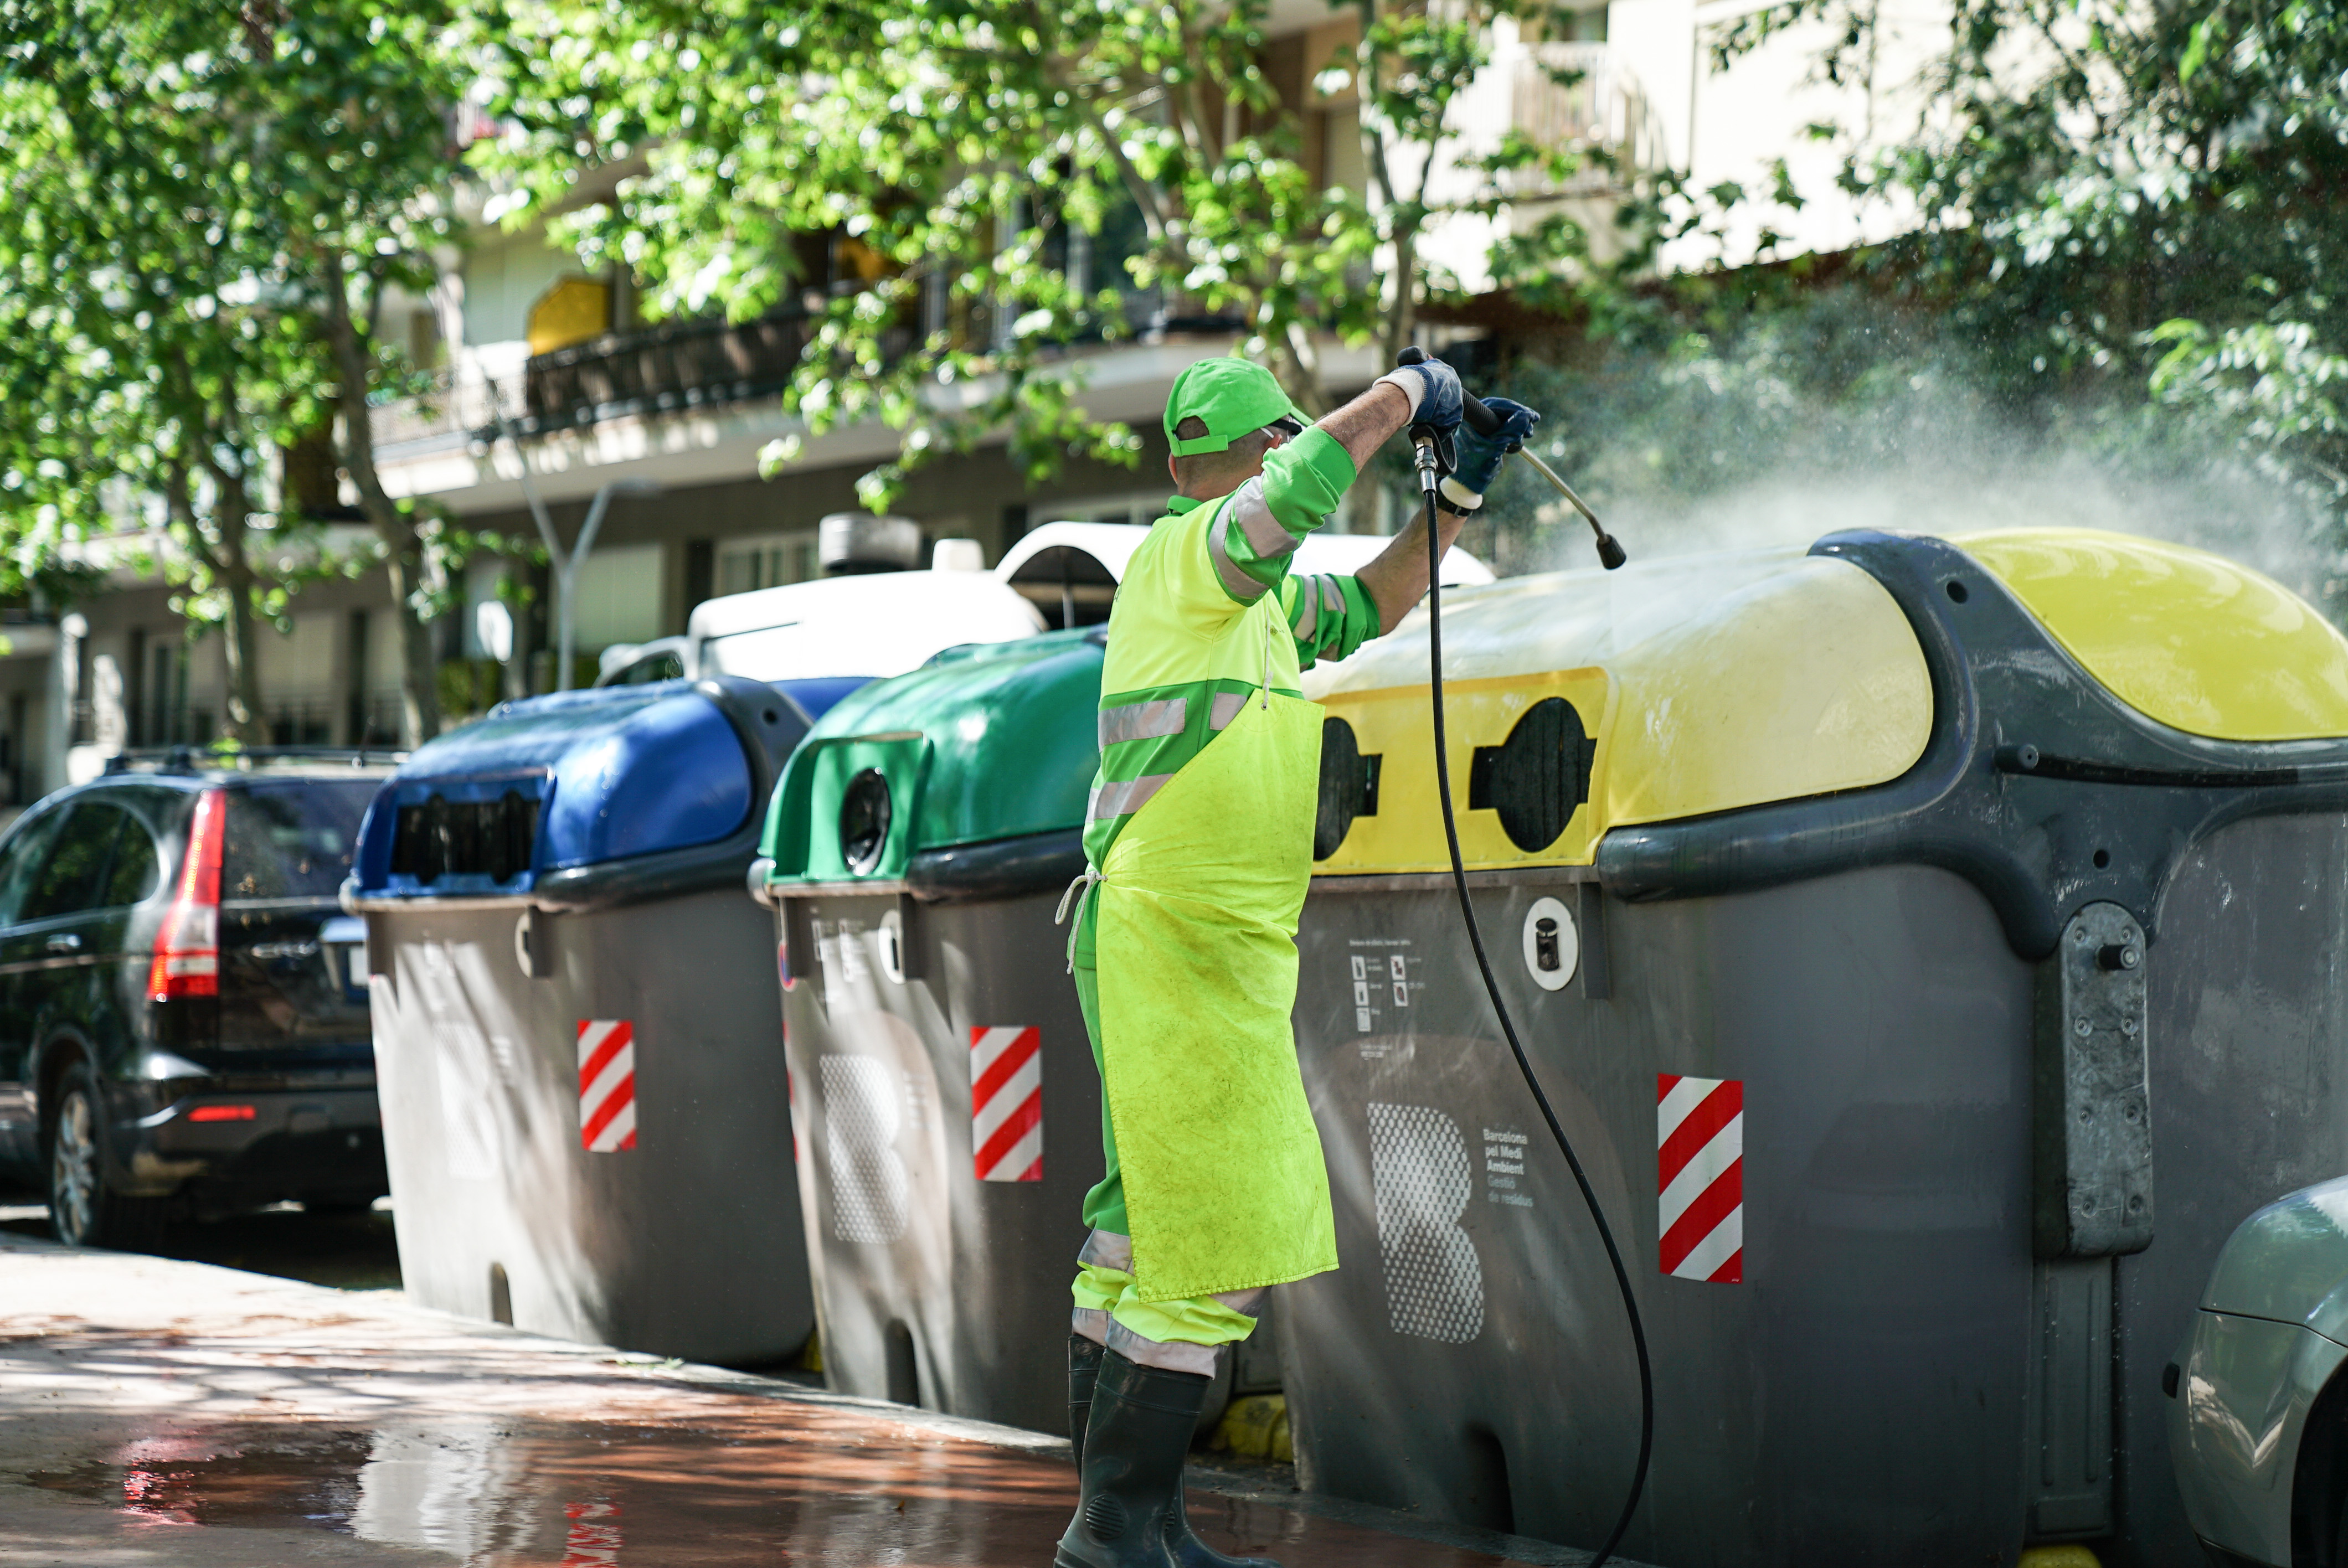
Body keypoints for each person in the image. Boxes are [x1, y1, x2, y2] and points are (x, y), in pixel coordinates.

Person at [1052, 354, 1539, 1568]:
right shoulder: (1179, 558)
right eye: (1257, 437)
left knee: (1143, 1236)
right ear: (1186, 467)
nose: (1280, 448)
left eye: (1288, 427)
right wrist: (1396, 392)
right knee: (1215, 1235)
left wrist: (1456, 497)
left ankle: (1130, 1524)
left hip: (1202, 950)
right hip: (1175, 941)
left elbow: (1373, 602)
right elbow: (1282, 508)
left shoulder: (1257, 608)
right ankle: (1116, 1529)